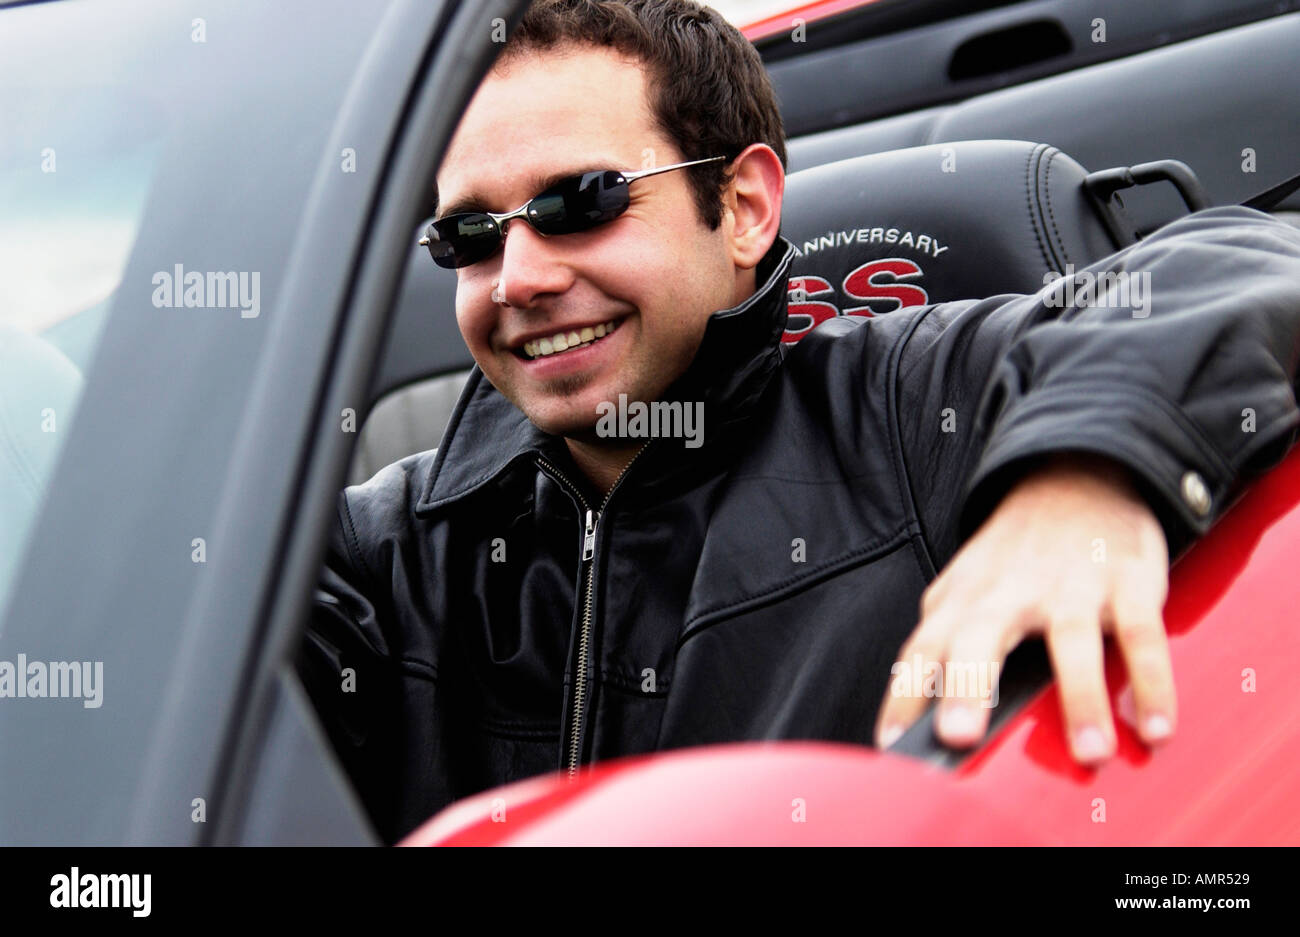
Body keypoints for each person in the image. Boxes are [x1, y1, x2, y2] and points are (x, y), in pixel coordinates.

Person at [296, 0, 1300, 843]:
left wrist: (1084, 469)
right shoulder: (382, 554)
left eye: (578, 202)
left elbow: (1247, 259)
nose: (518, 277)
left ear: (740, 207)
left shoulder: (910, 408)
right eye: (470, 234)